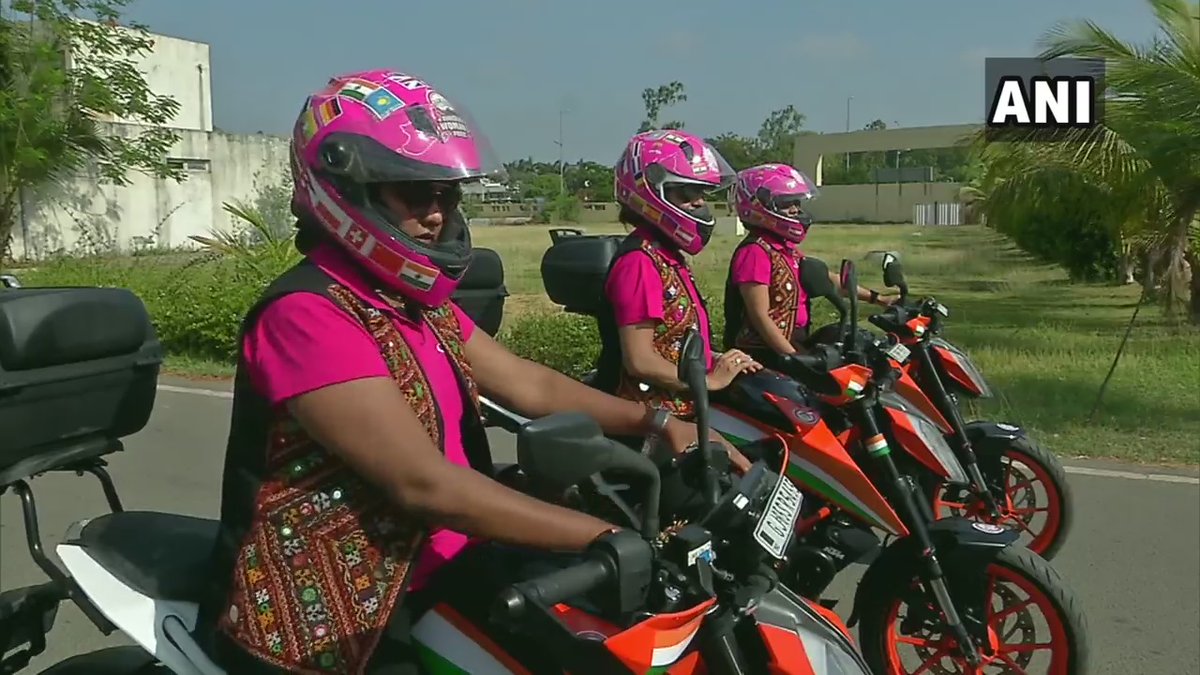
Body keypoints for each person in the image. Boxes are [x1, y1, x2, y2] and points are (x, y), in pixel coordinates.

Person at [195, 70, 726, 674]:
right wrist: (599, 537)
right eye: (413, 193)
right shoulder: (307, 315)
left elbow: (529, 383)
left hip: (445, 569)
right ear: (345, 188)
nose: (436, 216)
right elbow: (423, 483)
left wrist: (657, 423)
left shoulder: (412, 301)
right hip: (334, 616)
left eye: (446, 196)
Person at [593, 130, 763, 429]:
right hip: (651, 423)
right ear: (649, 192)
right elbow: (640, 360)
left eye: (701, 194)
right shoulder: (640, 261)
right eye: (686, 194)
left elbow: (673, 342)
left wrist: (722, 361)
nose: (699, 204)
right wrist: (709, 381)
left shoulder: (665, 254)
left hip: (682, 412)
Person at [722, 162, 897, 363]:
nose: (796, 210)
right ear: (759, 206)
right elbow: (759, 316)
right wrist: (795, 359)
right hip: (764, 355)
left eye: (797, 203)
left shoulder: (784, 249)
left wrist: (880, 299)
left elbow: (830, 281)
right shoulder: (755, 252)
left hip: (793, 345)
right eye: (786, 203)